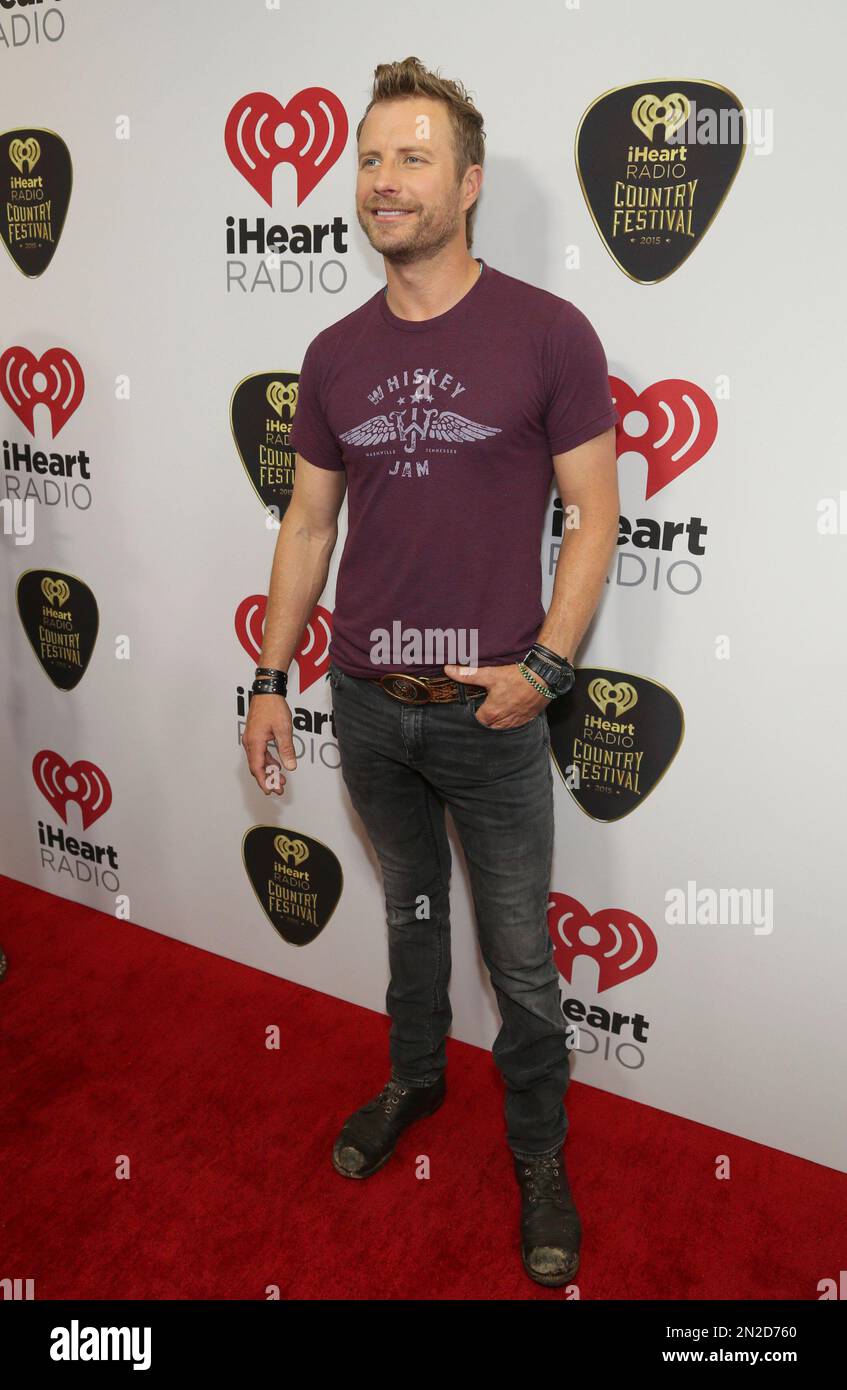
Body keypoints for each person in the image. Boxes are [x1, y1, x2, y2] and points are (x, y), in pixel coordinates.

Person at [242, 55, 620, 1288]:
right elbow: (307, 529)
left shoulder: (549, 331)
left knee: (518, 954)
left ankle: (539, 1152)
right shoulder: (333, 349)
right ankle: (413, 1077)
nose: (382, 180)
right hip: (364, 702)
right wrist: (269, 676)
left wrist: (547, 670)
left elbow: (593, 519)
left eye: (411, 158)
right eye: (368, 157)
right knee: (409, 914)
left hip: (491, 710)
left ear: (465, 184)